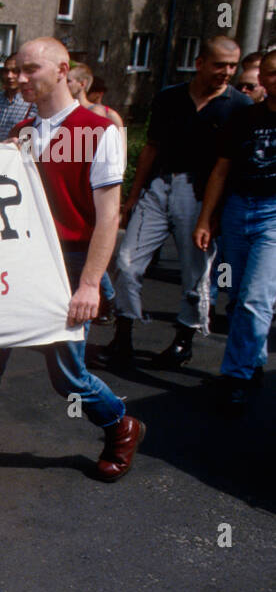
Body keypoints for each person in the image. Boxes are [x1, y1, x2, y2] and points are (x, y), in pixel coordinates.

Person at [0, 38, 145, 506]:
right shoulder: (21, 131)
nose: (18, 78)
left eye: (29, 70)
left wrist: (90, 284)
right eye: (15, 70)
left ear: (62, 70)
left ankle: (121, 424)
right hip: (20, 257)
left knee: (67, 377)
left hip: (70, 261)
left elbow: (109, 217)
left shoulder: (97, 131)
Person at [100, 36, 248, 369]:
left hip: (200, 194)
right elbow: (151, 147)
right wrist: (133, 195)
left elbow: (229, 167)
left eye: (232, 66)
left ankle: (184, 338)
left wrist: (212, 215)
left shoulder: (238, 106)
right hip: (159, 186)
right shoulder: (169, 97)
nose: (227, 72)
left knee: (195, 270)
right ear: (200, 64)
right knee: (126, 262)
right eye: (219, 65)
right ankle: (123, 333)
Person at [193, 49, 276, 413]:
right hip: (238, 208)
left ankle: (236, 376)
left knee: (256, 299)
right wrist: (205, 218)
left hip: (273, 213)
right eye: (270, 73)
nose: (274, 80)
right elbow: (221, 170)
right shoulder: (245, 117)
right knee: (239, 296)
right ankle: (253, 358)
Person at [68, 62, 123, 324]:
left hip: (95, 188)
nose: (64, 84)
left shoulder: (100, 115)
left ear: (82, 84)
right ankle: (106, 294)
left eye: (69, 80)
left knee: (93, 247)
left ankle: (107, 296)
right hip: (80, 189)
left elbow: (117, 154)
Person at [0, 53, 36, 142]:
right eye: (6, 71)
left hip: (15, 150)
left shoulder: (32, 103)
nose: (9, 76)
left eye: (15, 71)